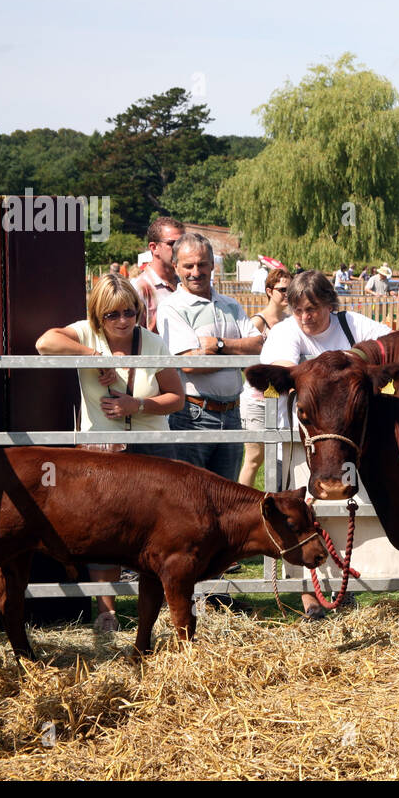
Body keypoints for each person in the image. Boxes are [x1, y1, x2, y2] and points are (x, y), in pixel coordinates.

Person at [35, 273, 185, 631]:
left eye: (129, 313)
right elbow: (44, 343)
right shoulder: (85, 333)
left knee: (155, 529)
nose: (122, 321)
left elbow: (176, 397)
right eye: (112, 315)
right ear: (97, 315)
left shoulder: (152, 342)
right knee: (104, 530)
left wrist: (139, 405)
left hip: (150, 445)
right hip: (100, 446)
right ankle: (107, 612)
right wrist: (93, 356)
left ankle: (159, 607)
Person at [260, 270, 391, 620]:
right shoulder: (285, 333)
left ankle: (341, 588)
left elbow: (391, 345)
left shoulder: (353, 325)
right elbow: (284, 372)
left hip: (345, 441)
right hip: (304, 440)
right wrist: (347, 365)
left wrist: (357, 361)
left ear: (330, 304)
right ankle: (309, 598)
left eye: (313, 309)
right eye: (298, 310)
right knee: (303, 515)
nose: (306, 317)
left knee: (348, 510)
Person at [155, 233, 264, 483]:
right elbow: (190, 365)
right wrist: (237, 351)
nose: (196, 271)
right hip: (193, 415)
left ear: (212, 264)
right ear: (176, 267)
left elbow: (258, 345)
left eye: (202, 264)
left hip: (232, 414)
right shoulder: (172, 307)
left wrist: (218, 345)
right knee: (192, 498)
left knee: (226, 497)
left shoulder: (231, 305)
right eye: (189, 265)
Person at [238, 266, 292, 488]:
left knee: (281, 455)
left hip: (281, 400)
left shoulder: (290, 322)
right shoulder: (258, 322)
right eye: (283, 290)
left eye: (291, 290)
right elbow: (246, 363)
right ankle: (241, 503)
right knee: (254, 458)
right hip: (257, 400)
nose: (287, 295)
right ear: (269, 291)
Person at [134, 217, 184, 328]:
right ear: (154, 247)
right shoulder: (140, 288)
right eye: (172, 244)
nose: (180, 248)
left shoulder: (184, 283)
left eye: (182, 243)